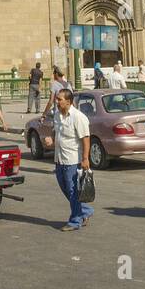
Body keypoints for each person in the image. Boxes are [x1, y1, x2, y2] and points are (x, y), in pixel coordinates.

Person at [51, 88, 93, 231]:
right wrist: (51, 140)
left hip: (72, 160)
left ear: (68, 101)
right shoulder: (57, 114)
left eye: (59, 99)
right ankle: (86, 211)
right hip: (59, 158)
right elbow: (56, 131)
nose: (56, 102)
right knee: (65, 188)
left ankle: (75, 221)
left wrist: (85, 159)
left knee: (72, 190)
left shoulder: (78, 117)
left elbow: (86, 139)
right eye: (57, 99)